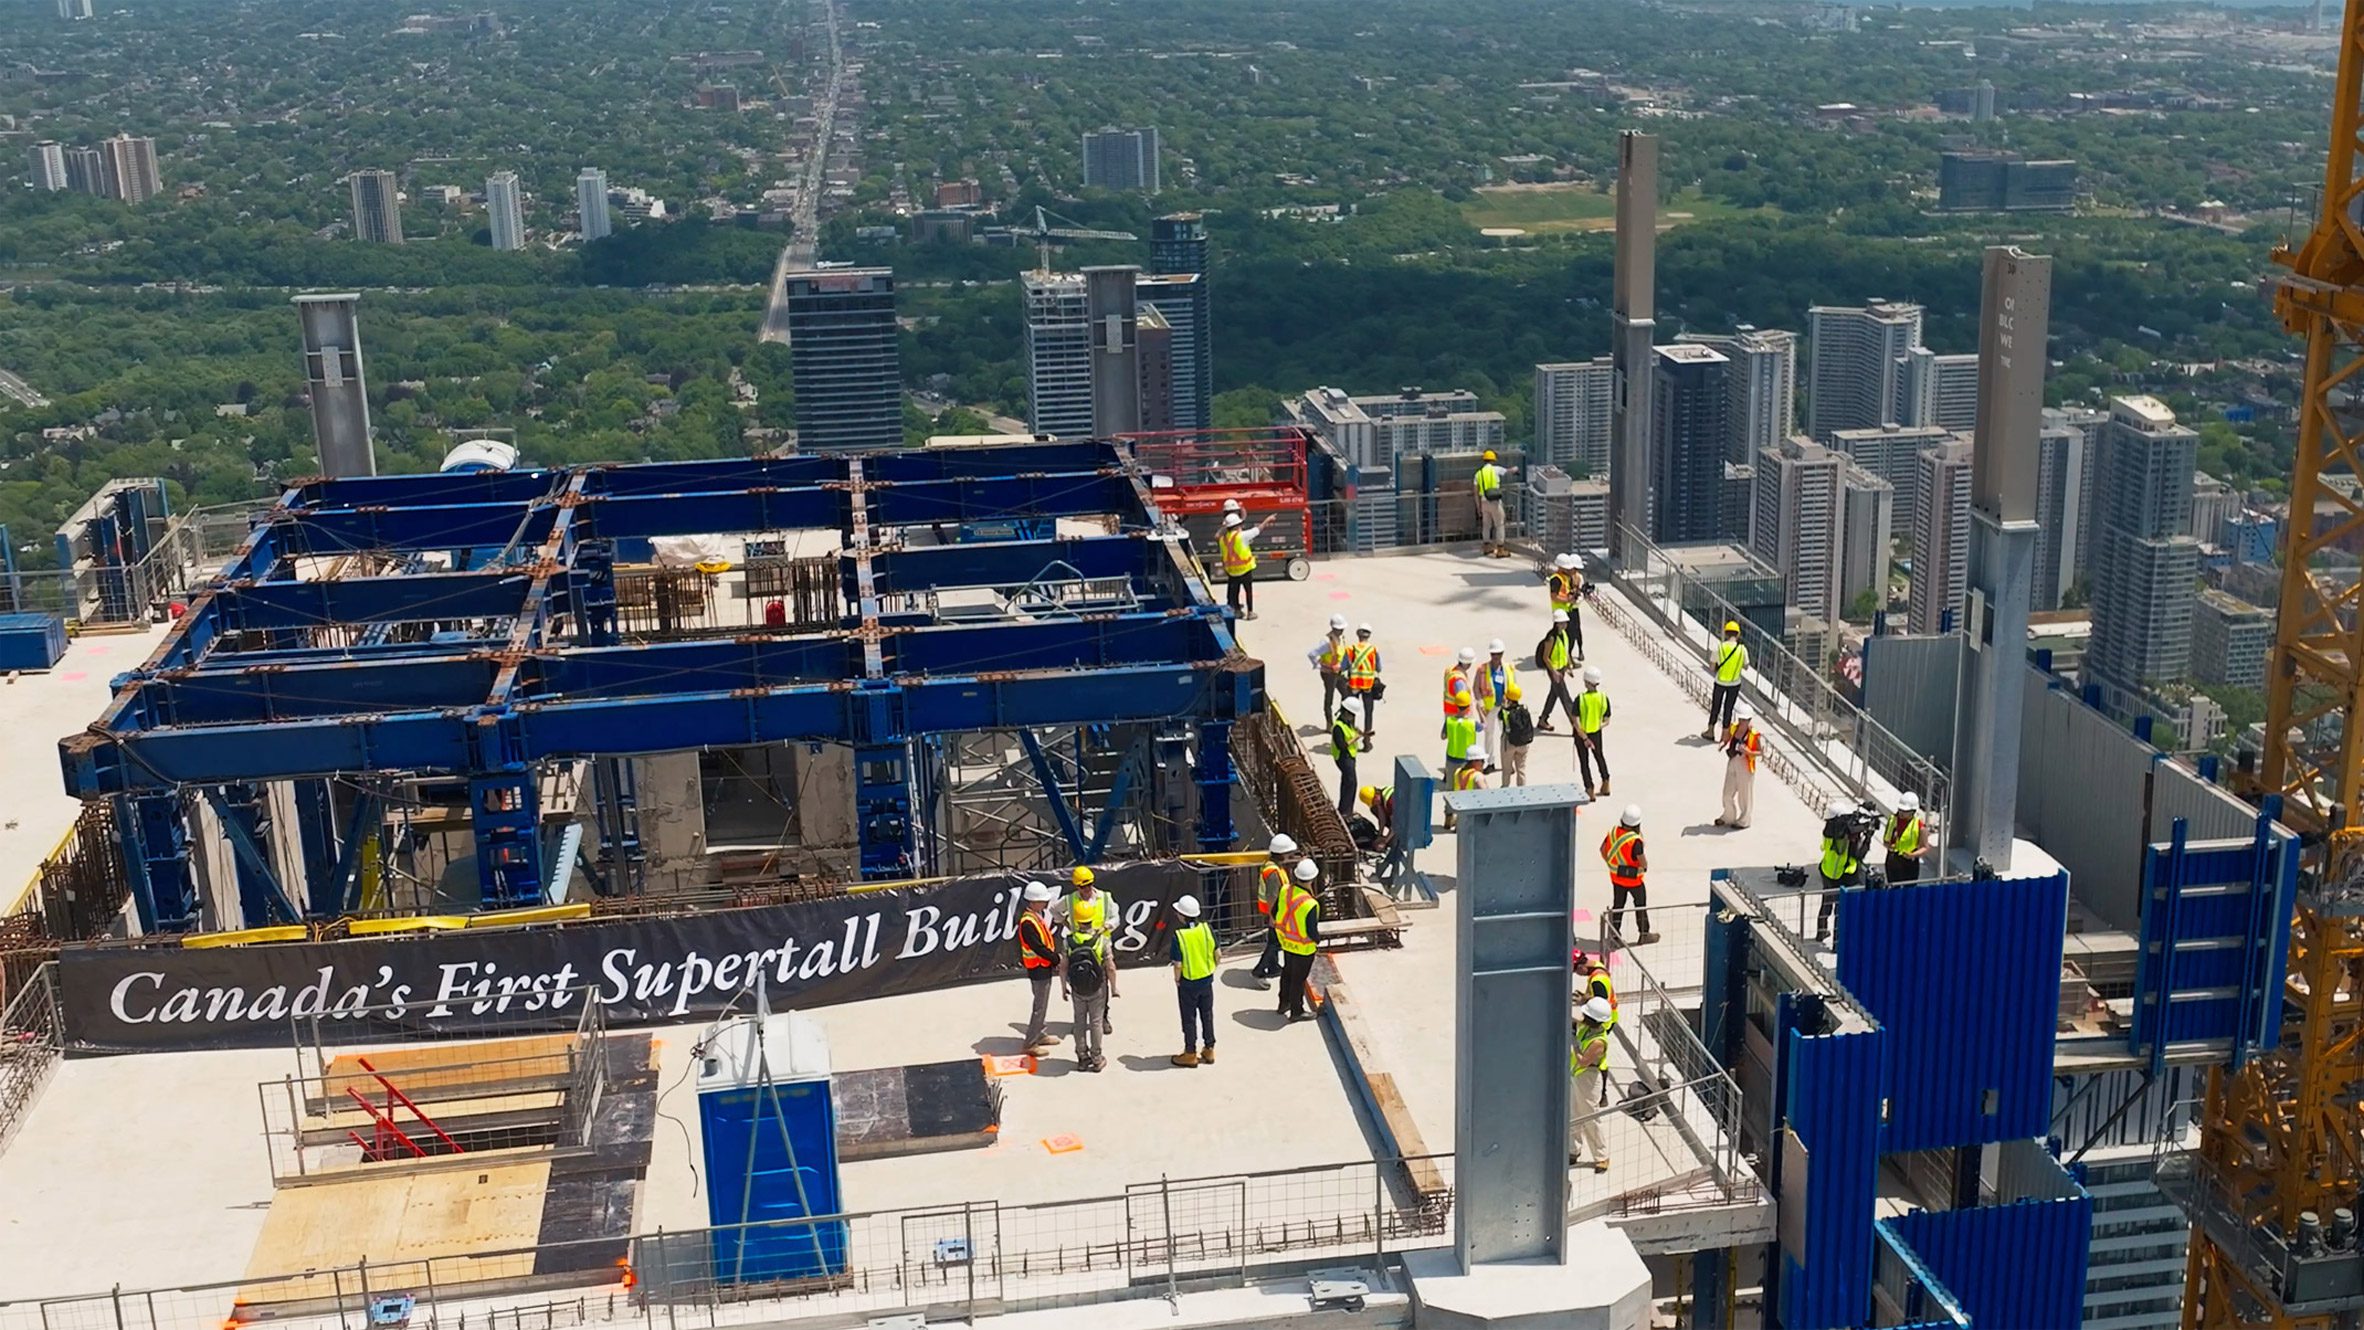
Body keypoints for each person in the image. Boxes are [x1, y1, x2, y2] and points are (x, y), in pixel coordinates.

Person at [1056, 866, 1120, 1070]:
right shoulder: (1070, 900)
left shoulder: (1105, 898)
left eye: (1089, 885)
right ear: (1077, 886)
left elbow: (1115, 918)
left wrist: (1106, 927)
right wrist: (1066, 922)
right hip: (1084, 949)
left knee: (1093, 1003)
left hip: (1097, 946)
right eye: (1083, 887)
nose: (1086, 890)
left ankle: (1103, 1017)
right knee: (1094, 1006)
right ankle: (1094, 1055)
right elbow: (1054, 911)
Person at [1168, 894, 1218, 1067]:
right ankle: (1209, 1049)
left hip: (1188, 983)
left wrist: (1177, 980)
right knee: (1207, 1015)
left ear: (1182, 915)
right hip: (1206, 980)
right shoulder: (1206, 929)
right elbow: (1217, 954)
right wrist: (1211, 969)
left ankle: (1190, 1053)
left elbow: (1178, 964)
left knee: (1189, 1018)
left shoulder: (1179, 936)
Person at [1016, 881, 1062, 1054]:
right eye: (1042, 901)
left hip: (1043, 966)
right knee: (1039, 1006)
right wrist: (1056, 959)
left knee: (1042, 1003)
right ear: (1033, 902)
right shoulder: (1028, 922)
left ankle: (1040, 1034)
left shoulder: (1035, 916)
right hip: (1038, 968)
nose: (1045, 903)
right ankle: (1030, 1043)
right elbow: (1038, 947)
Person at [1275, 857, 1323, 1021]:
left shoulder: (1285, 890)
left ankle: (1283, 1003)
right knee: (1298, 980)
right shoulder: (1310, 904)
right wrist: (1318, 940)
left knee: (1287, 973)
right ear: (1313, 878)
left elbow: (1276, 912)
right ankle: (1297, 1011)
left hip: (1286, 942)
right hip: (1303, 948)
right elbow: (1311, 931)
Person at [1569, 996, 1614, 1173]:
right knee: (1573, 1113)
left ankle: (1601, 1157)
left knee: (1590, 1117)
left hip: (1588, 1077)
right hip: (1577, 1076)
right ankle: (1573, 1150)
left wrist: (1574, 1046)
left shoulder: (1598, 1042)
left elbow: (1583, 1062)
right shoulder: (1587, 1027)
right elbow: (1576, 1023)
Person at [1601, 805, 1656, 945]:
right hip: (1634, 881)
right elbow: (1642, 862)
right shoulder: (1635, 840)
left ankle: (1614, 935)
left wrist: (1613, 865)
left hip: (1616, 878)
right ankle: (1644, 934)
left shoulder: (1613, 832)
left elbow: (1602, 849)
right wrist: (1644, 868)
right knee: (1640, 905)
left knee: (1618, 905)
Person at [1813, 802, 1863, 944]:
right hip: (1842, 873)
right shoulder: (1846, 834)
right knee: (1839, 911)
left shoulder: (1828, 830)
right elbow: (1857, 854)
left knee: (1826, 903)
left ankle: (1821, 933)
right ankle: (1837, 942)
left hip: (1827, 870)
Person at [1251, 834, 1297, 984]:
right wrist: (1273, 917)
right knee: (1275, 944)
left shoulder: (1272, 866)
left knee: (1273, 940)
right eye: (1288, 853)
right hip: (1275, 912)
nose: (1290, 855)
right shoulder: (1273, 873)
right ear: (1282, 853)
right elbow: (1272, 896)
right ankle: (1259, 972)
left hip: (1275, 910)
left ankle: (1273, 967)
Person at [1473, 639, 1519, 772]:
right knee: (1489, 735)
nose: (1496, 657)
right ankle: (1490, 762)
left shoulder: (1508, 668)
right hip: (1490, 708)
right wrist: (1480, 703)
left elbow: (1514, 687)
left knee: (1507, 735)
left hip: (1505, 707)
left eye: (1498, 654)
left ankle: (1508, 763)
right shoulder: (1482, 669)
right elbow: (1476, 688)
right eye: (1493, 654)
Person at [1717, 703, 1763, 830]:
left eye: (1745, 720)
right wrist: (1723, 743)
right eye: (1741, 719)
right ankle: (1728, 816)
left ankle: (1744, 820)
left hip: (1745, 765)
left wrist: (1748, 752)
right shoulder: (1734, 727)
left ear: (1749, 720)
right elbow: (1729, 738)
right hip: (1733, 761)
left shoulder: (1754, 734)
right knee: (1727, 792)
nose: (1742, 722)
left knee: (1745, 796)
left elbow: (1761, 752)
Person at [1534, 609, 1578, 732]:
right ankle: (1575, 725)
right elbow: (1546, 657)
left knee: (1553, 695)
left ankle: (1543, 719)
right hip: (1554, 670)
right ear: (1557, 623)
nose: (1565, 624)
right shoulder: (1551, 638)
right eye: (1563, 622)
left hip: (1561, 669)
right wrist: (1554, 672)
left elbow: (1565, 651)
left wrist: (1569, 666)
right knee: (1566, 698)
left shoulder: (1563, 635)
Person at [1703, 621, 1748, 739]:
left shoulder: (1719, 648)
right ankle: (1725, 735)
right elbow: (1746, 666)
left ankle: (1710, 731)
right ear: (1738, 634)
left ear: (1725, 634)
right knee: (1729, 708)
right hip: (1735, 683)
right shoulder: (1742, 649)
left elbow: (1712, 667)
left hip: (1720, 682)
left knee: (1716, 706)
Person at [1574, 666, 1612, 798]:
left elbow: (1576, 722)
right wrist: (1597, 726)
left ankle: (1589, 789)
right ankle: (1606, 782)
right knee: (1599, 757)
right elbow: (1607, 720)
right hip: (1596, 733)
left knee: (1584, 762)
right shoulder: (1603, 698)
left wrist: (1584, 738)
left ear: (1586, 682)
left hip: (1581, 736)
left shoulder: (1580, 699)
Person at [1219, 511, 1263, 621]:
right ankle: (1250, 612)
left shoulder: (1222, 539)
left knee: (1235, 591)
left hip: (1232, 571)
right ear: (1237, 525)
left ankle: (1237, 611)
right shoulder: (1242, 536)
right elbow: (1258, 530)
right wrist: (1268, 520)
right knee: (1248, 591)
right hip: (1245, 569)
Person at [1343, 623, 1382, 745]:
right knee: (1368, 713)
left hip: (1354, 685)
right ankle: (1367, 740)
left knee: (1351, 711)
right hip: (1368, 686)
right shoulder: (1373, 650)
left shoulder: (1350, 649)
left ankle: (1351, 737)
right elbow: (1379, 668)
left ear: (1357, 634)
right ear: (1369, 635)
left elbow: (1344, 666)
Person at [1546, 553, 1588, 661]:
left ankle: (1567, 658)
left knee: (1570, 636)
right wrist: (1568, 599)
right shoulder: (1556, 579)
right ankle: (1563, 658)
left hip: (1567, 611)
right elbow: (1554, 596)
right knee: (1563, 637)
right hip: (1560, 613)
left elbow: (1567, 592)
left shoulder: (1565, 578)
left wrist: (1574, 595)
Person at [1308, 614, 1350, 722]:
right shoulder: (1326, 642)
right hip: (1329, 674)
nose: (1341, 631)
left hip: (1339, 672)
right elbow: (1312, 654)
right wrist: (1319, 666)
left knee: (1346, 694)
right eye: (1339, 629)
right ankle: (1329, 722)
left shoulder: (1341, 638)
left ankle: (1342, 718)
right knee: (1329, 698)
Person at [1884, 792, 1930, 885]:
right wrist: (1888, 845)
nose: (1901, 813)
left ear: (1913, 811)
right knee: (1893, 889)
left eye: (1905, 811)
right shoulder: (1892, 819)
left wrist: (1912, 855)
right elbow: (1886, 839)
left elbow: (1925, 847)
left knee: (1909, 890)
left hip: (1909, 863)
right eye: (1900, 810)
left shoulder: (1919, 825)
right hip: (1893, 859)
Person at [1442, 696, 1479, 804]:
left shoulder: (1449, 721)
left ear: (1456, 706)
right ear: (1468, 708)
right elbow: (1483, 726)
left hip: (1451, 758)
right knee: (1465, 787)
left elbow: (1443, 736)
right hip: (1467, 760)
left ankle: (1448, 815)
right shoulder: (1472, 723)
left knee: (1450, 788)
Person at [1499, 682, 1535, 787]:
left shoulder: (1506, 712)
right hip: (1523, 744)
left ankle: (1505, 789)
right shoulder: (1524, 709)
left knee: (1506, 770)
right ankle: (1522, 790)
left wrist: (1503, 705)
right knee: (1521, 769)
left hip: (1509, 743)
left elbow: (1500, 717)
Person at [1572, 948, 1618, 1029]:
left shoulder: (1597, 981)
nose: (1577, 974)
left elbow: (1599, 1004)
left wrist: (1583, 1001)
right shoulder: (1597, 965)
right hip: (1607, 1016)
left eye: (1575, 971)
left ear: (1580, 967)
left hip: (1602, 1023)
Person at [1329, 703, 1361, 817]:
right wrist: (1355, 738)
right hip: (1343, 758)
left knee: (1348, 783)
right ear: (1346, 713)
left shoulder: (1347, 723)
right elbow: (1341, 745)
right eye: (1352, 715)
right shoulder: (1338, 727)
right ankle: (1346, 812)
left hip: (1350, 757)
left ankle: (1345, 808)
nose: (1353, 718)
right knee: (1350, 783)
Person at [1474, 450, 1507, 557]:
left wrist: (1478, 507)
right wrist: (1515, 469)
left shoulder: (1478, 473)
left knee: (1486, 525)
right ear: (1493, 460)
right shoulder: (1496, 469)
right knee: (1499, 524)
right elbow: (1508, 471)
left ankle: (1487, 547)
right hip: (1495, 501)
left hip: (1484, 501)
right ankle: (1500, 549)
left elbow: (1475, 492)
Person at [1445, 753, 1485, 830]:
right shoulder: (1477, 776)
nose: (1483, 764)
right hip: (1472, 812)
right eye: (1482, 761)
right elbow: (1487, 793)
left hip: (1461, 809)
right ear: (1474, 762)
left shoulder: (1458, 772)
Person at [1359, 784, 1395, 852]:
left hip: (1409, 818)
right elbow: (1382, 818)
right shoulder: (1381, 795)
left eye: (1373, 802)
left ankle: (1395, 836)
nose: (1374, 805)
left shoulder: (1391, 802)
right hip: (1395, 813)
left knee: (1392, 840)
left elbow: (1396, 825)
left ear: (1376, 797)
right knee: (1375, 810)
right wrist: (1379, 835)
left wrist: (1385, 842)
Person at [1442, 646, 1477, 717]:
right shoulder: (1459, 680)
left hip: (1448, 710)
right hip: (1457, 715)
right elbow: (1462, 702)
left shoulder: (1450, 670)